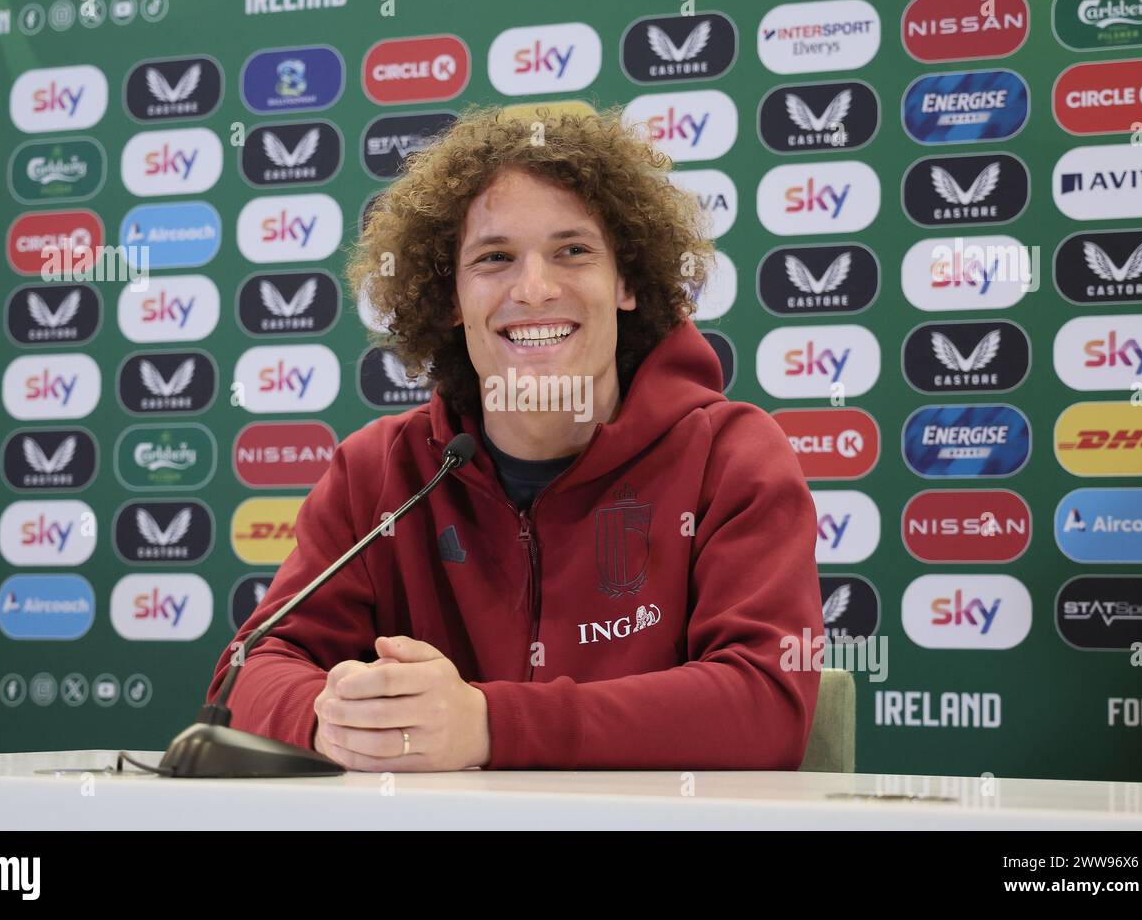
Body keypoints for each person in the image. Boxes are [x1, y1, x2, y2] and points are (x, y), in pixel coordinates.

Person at [207, 104, 823, 771]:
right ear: (450, 300)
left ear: (626, 281)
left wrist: (488, 725)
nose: (533, 289)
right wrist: (336, 721)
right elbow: (245, 675)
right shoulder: (378, 472)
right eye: (495, 258)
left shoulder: (731, 457)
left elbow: (766, 705)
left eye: (573, 251)